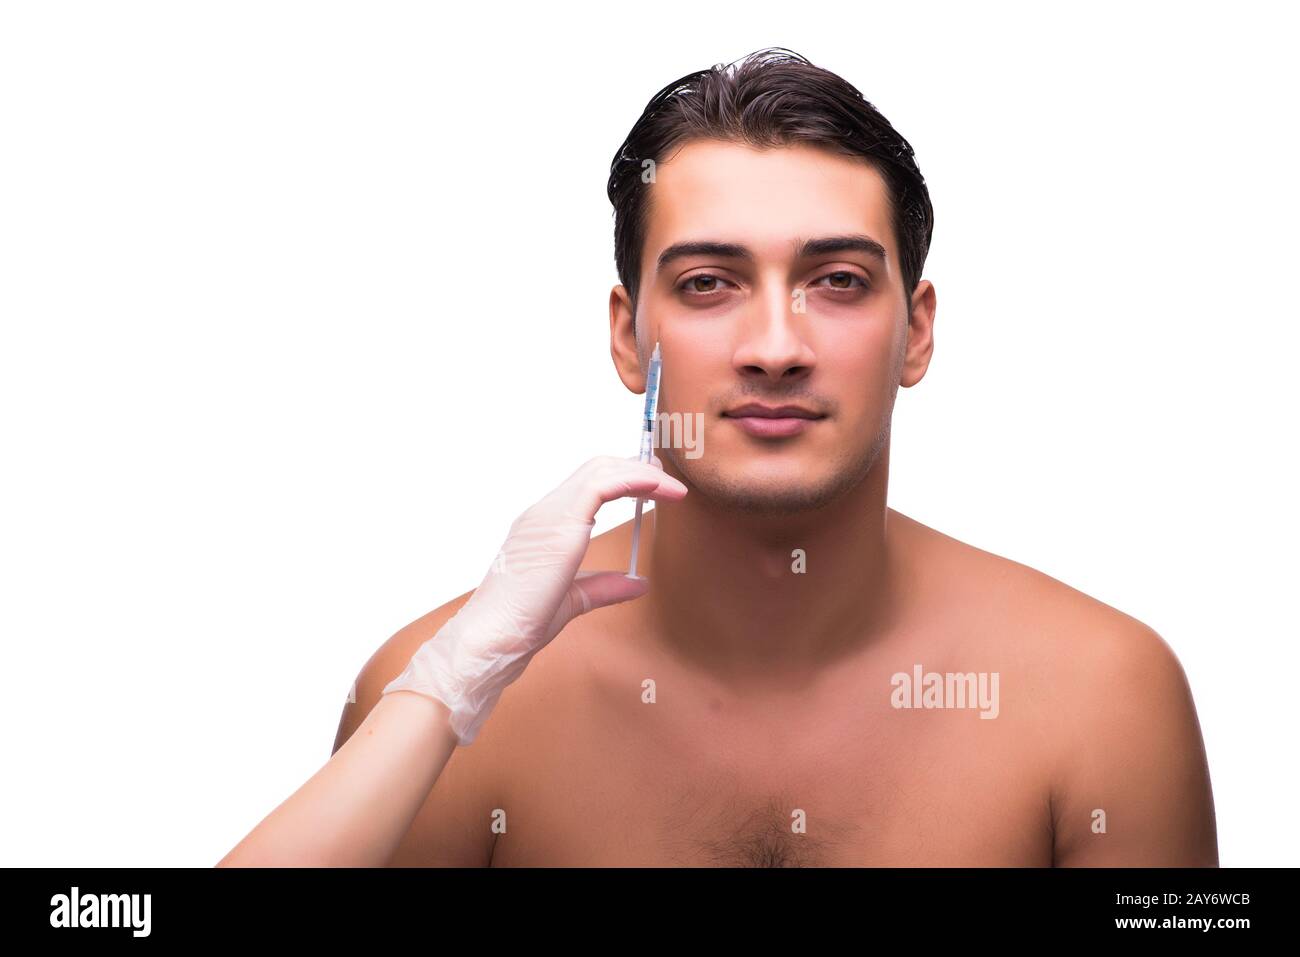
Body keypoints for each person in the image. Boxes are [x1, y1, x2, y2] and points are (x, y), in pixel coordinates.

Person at [219, 47, 1217, 868]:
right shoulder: (455, 701)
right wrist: (447, 684)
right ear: (627, 338)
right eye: (707, 284)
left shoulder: (1098, 692)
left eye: (835, 279)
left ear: (915, 332)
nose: (775, 346)